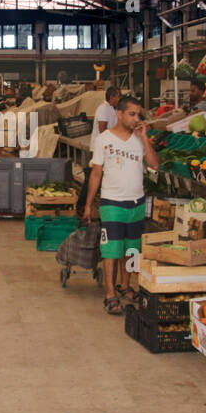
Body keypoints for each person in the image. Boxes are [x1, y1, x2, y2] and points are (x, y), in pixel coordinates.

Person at [82, 93, 159, 315]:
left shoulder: (139, 139)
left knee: (132, 249)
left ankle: (126, 286)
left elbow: (154, 165)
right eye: (132, 114)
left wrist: (145, 138)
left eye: (139, 115)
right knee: (112, 250)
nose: (137, 119)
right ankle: (110, 293)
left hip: (136, 202)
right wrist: (88, 205)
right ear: (120, 114)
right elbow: (96, 174)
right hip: (112, 202)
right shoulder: (104, 139)